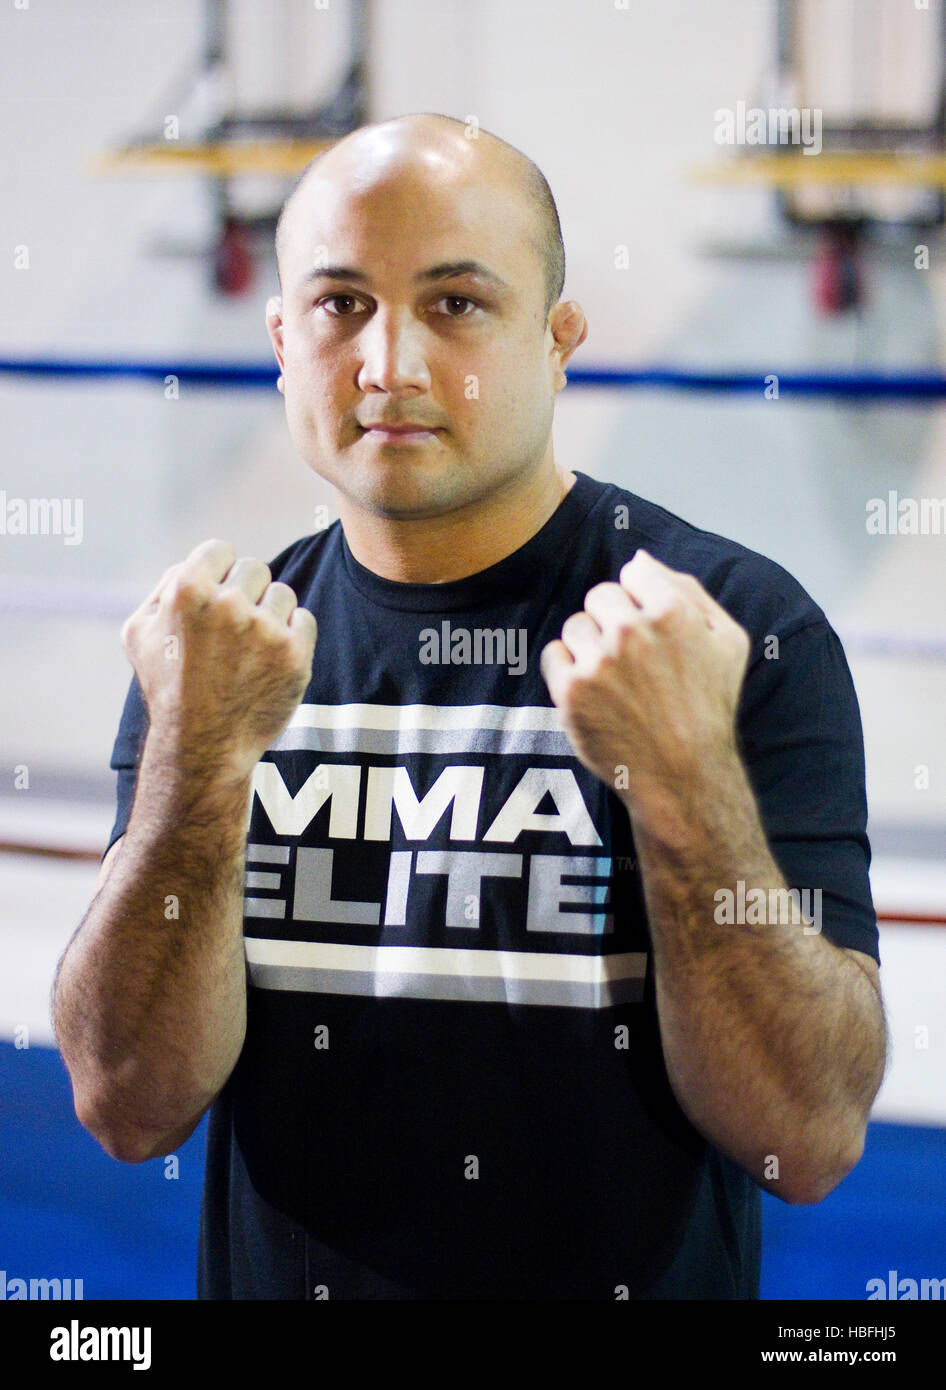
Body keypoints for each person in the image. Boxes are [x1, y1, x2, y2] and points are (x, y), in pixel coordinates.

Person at [52, 112, 888, 1300]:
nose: (388, 364)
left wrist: (688, 775)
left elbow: (804, 1134)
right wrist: (198, 760)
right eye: (341, 305)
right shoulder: (219, 648)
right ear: (283, 341)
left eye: (455, 304)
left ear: (558, 341)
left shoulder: (733, 628)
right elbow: (127, 1105)